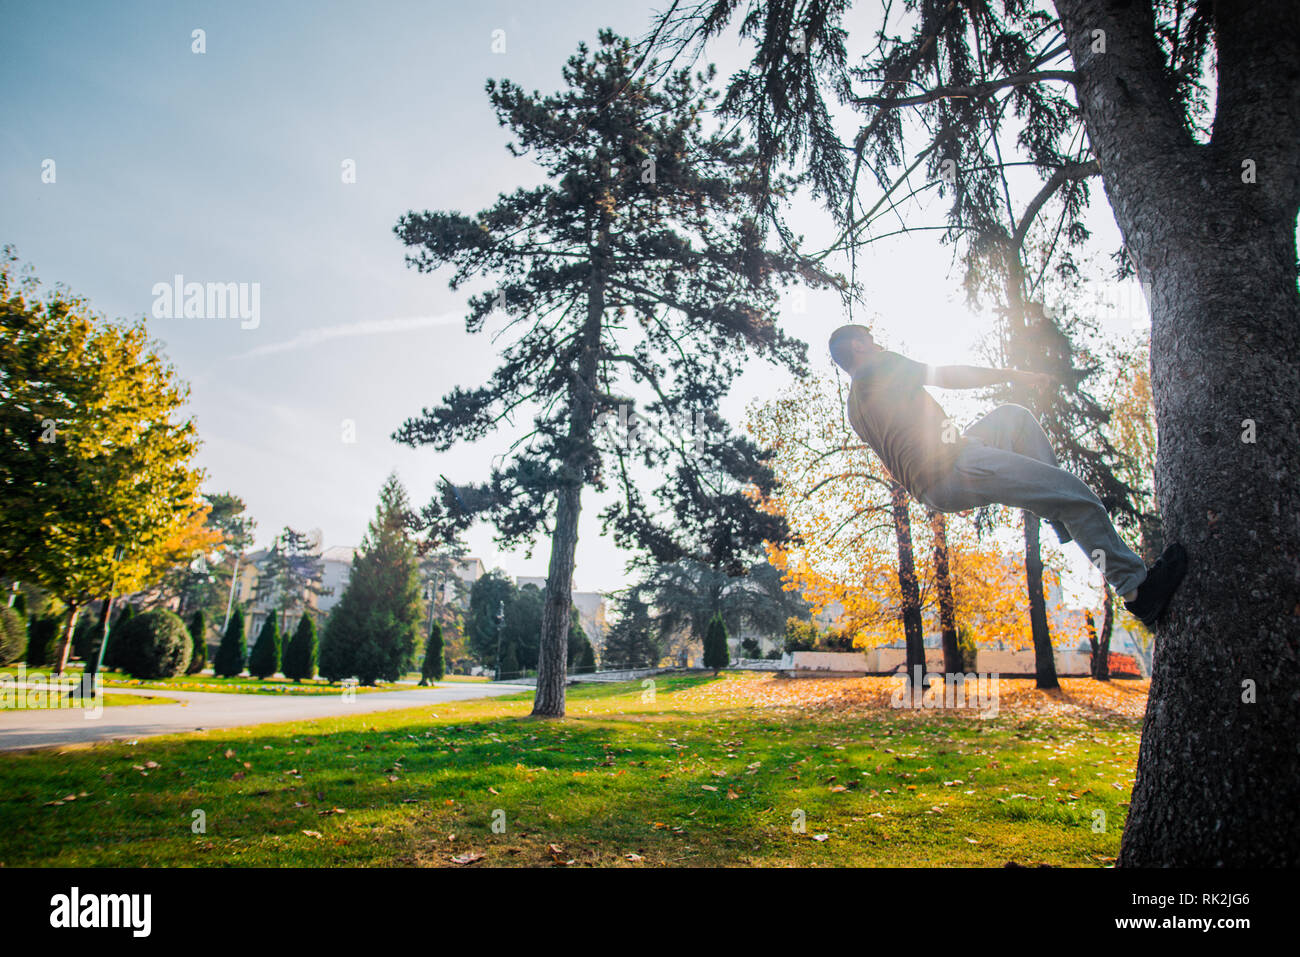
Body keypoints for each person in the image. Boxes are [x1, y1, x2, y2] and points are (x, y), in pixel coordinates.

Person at [828, 323, 1186, 628]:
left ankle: (1057, 517)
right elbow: (946, 375)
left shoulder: (854, 407)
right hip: (954, 466)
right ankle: (1136, 590)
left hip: (937, 480)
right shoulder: (880, 366)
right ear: (859, 346)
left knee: (1014, 418)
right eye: (870, 339)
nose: (878, 343)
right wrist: (1013, 374)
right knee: (1075, 495)